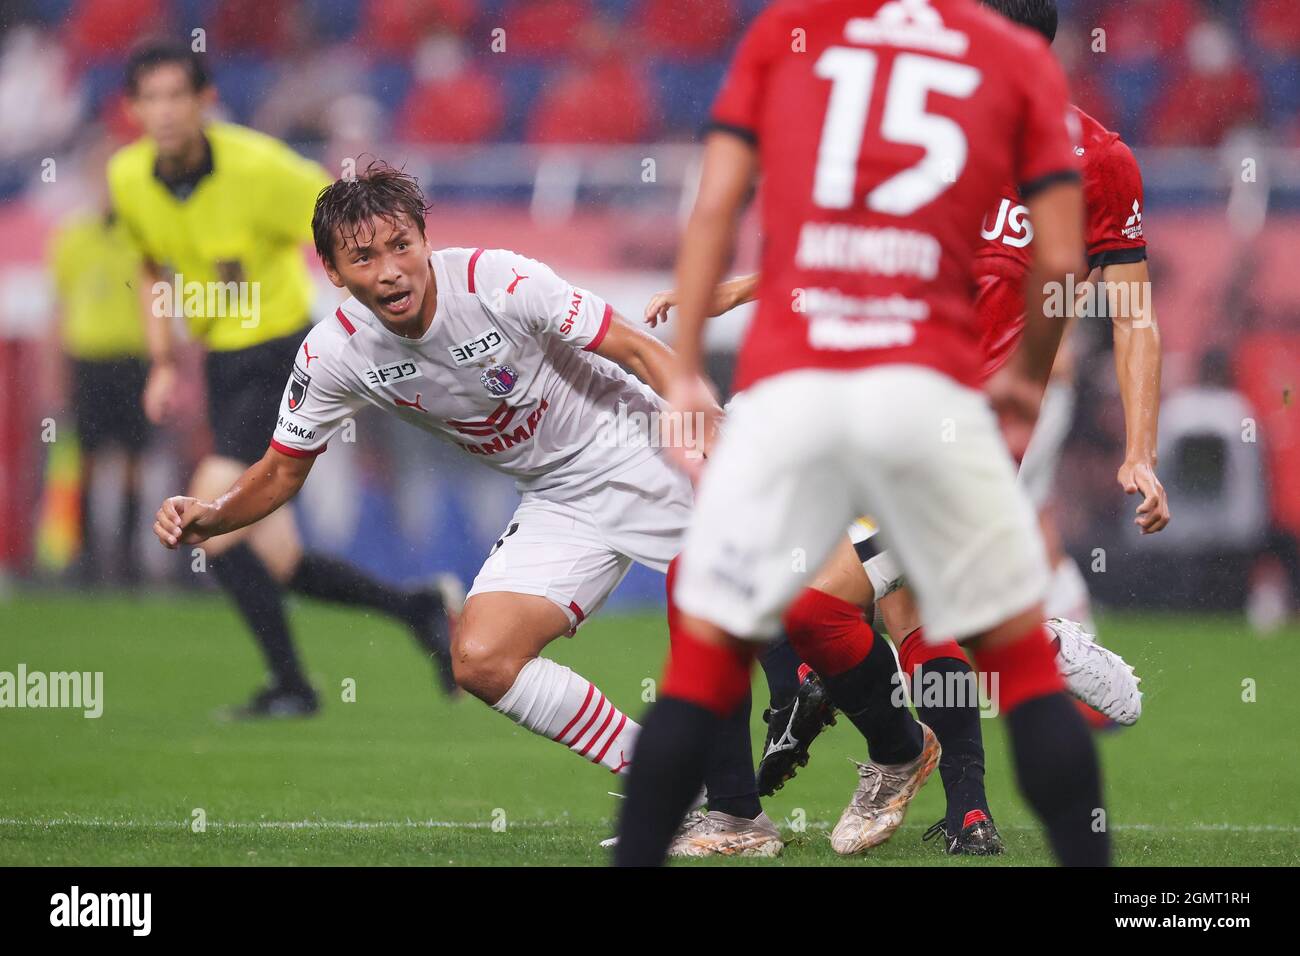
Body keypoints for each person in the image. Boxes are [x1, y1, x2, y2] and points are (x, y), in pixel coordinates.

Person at [152, 162, 940, 858]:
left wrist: (700, 430)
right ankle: (697, 801)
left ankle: (899, 749)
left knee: (806, 610)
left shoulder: (499, 280)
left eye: (401, 246)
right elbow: (282, 472)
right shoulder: (335, 354)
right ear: (332, 270)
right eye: (364, 257)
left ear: (426, 241)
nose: (391, 271)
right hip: (560, 497)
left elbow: (635, 348)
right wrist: (213, 517)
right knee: (481, 659)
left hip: (646, 448)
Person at [641, 0, 1168, 855]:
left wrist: (1141, 450)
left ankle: (924, 726)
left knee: (810, 600)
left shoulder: (1097, 162)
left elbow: (1135, 315)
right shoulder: (913, 134)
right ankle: (758, 806)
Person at [110, 39, 455, 717]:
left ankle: (292, 685)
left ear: (207, 100)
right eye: (151, 98)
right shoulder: (127, 177)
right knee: (282, 559)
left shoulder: (261, 168)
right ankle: (415, 608)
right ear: (133, 110)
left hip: (280, 355)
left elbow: (355, 228)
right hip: (220, 362)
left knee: (209, 523)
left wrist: (398, 313)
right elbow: (150, 264)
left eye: (178, 95)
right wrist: (160, 360)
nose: (166, 111)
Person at [48, 135, 153, 586]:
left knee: (134, 461)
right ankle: (85, 556)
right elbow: (58, 308)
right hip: (88, 362)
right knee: (87, 458)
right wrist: (54, 372)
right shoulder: (72, 237)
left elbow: (167, 307)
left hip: (135, 361)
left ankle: (127, 560)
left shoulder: (146, 237)